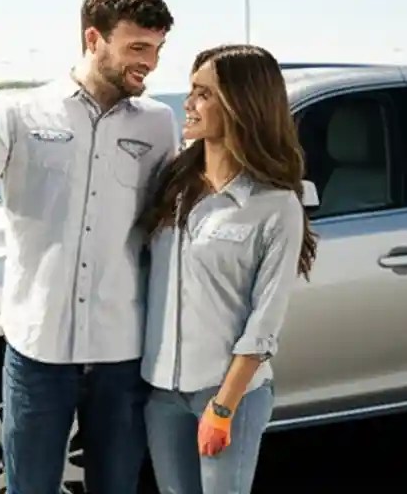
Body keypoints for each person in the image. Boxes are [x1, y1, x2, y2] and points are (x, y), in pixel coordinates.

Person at [0, 0, 178, 494]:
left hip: (122, 355)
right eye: (137, 47)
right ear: (93, 39)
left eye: (157, 49)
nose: (149, 62)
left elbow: (174, 224)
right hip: (38, 354)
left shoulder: (159, 125)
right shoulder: (19, 113)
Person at [138, 44, 317, 494]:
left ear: (241, 105)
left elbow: (265, 322)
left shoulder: (276, 206)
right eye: (191, 90)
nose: (189, 103)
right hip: (162, 394)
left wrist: (223, 406)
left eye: (204, 94)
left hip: (227, 395)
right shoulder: (171, 188)